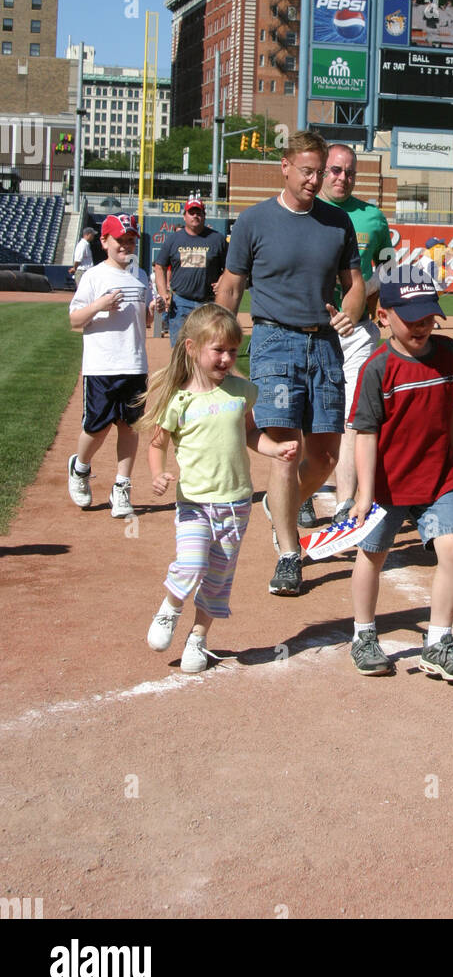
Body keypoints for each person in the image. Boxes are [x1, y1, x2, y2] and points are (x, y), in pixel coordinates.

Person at [214, 130, 365, 598]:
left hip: (324, 346)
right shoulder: (255, 221)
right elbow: (231, 288)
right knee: (285, 452)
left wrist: (351, 312)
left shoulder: (338, 223)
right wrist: (222, 348)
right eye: (307, 171)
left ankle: (279, 507)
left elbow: (354, 283)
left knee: (324, 456)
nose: (315, 180)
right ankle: (288, 553)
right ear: (284, 166)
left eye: (321, 171)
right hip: (275, 343)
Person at [139, 304, 298, 674]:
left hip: (236, 504)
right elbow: (157, 443)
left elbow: (250, 434)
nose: (226, 358)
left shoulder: (241, 391)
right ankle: (171, 608)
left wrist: (275, 449)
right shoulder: (179, 398)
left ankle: (198, 637)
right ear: (192, 348)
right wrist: (158, 473)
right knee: (192, 564)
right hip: (195, 503)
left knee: (218, 579)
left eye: (232, 350)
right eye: (218, 350)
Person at [347, 267, 453, 682]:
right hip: (388, 483)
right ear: (383, 316)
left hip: (437, 478)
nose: (423, 325)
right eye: (411, 317)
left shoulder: (448, 353)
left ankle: (438, 642)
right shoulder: (378, 368)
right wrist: (364, 492)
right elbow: (364, 434)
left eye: (429, 316)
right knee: (372, 555)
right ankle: (364, 634)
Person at [318, 143, 392, 524]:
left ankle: (345, 501)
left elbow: (387, 266)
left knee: (352, 417)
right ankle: (305, 487)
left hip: (358, 331)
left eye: (349, 172)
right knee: (308, 412)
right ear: (322, 170)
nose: (341, 178)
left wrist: (369, 292)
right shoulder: (305, 210)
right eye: (335, 170)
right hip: (311, 329)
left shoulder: (372, 219)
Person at [67, 214, 157, 518]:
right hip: (102, 364)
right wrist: (99, 305)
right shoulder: (94, 277)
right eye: (120, 239)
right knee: (96, 427)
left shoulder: (141, 276)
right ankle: (80, 468)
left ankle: (122, 486)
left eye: (131, 239)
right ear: (104, 241)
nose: (127, 245)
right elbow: (75, 320)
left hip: (134, 364)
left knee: (130, 427)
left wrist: (151, 312)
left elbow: (143, 321)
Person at [152, 199, 228, 347]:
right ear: (184, 216)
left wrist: (222, 281)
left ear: (204, 216)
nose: (195, 216)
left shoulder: (217, 239)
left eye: (198, 213)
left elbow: (231, 267)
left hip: (208, 303)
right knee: (180, 348)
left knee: (207, 347)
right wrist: (163, 292)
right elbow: (159, 265)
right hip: (180, 303)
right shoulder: (174, 239)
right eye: (191, 212)